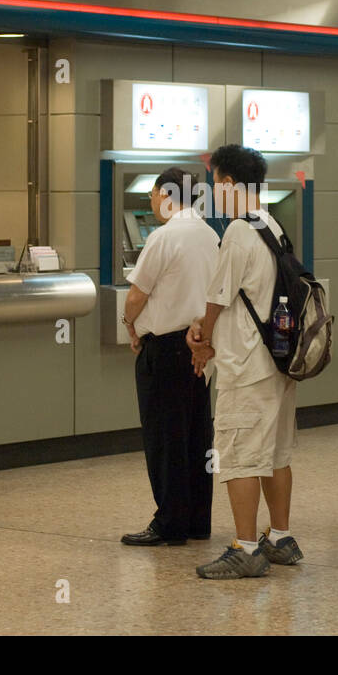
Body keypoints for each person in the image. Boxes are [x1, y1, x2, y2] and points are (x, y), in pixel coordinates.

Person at [186, 144, 300, 579]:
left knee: (238, 456)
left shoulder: (237, 231)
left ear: (230, 183)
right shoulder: (272, 223)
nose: (215, 191)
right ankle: (281, 538)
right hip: (278, 360)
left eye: (216, 183)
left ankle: (246, 548)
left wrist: (203, 338)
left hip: (246, 365)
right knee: (276, 454)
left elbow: (218, 297)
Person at [120, 168, 220, 546]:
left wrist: (130, 325)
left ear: (166, 193)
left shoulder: (165, 236)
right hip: (199, 346)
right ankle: (196, 520)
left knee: (165, 438)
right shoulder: (210, 235)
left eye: (152, 195)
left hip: (164, 349)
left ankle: (169, 522)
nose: (150, 202)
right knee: (196, 435)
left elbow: (135, 295)